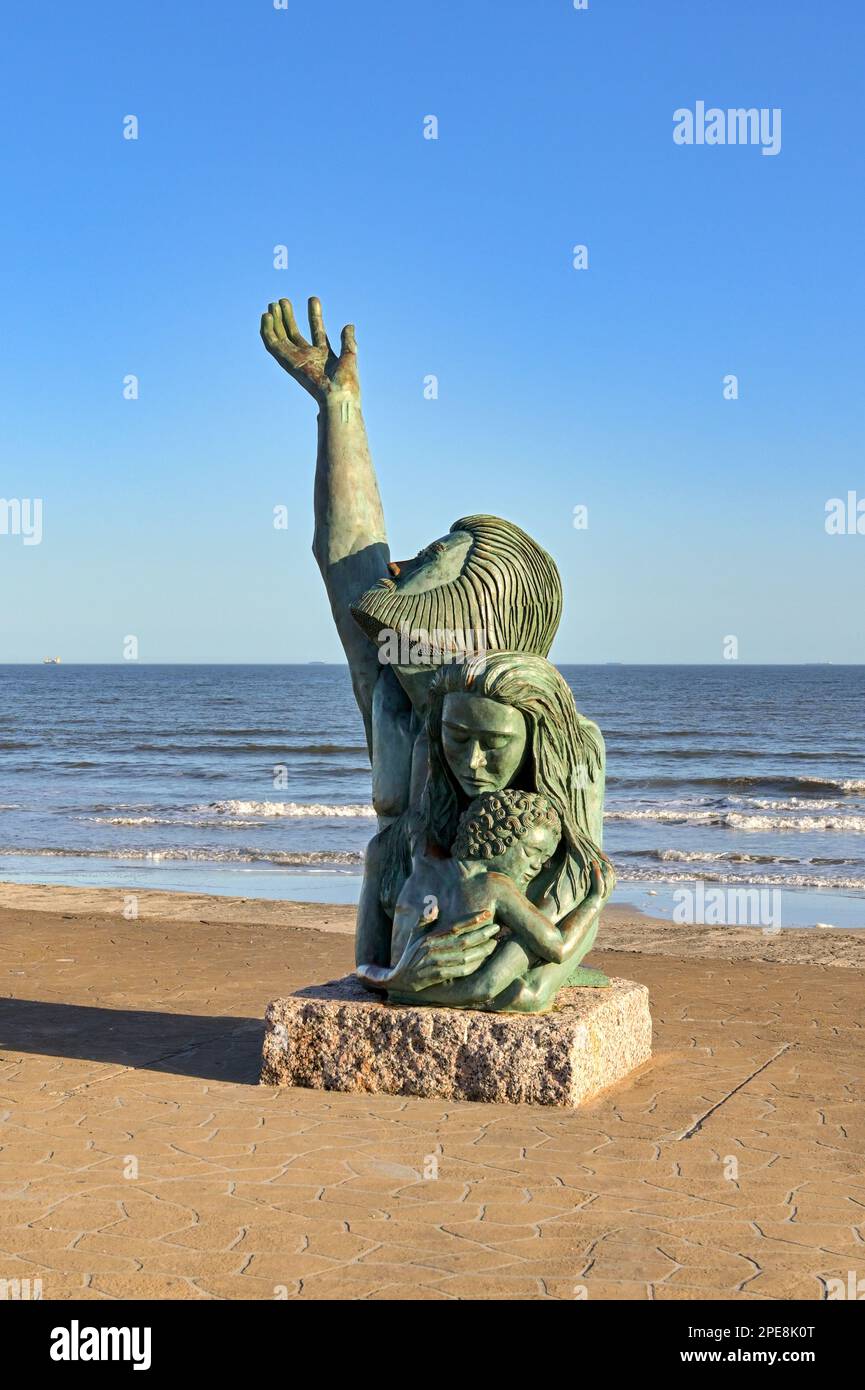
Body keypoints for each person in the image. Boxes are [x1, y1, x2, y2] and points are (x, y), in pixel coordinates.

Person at [357, 789, 609, 1011]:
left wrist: (398, 985)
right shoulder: (494, 885)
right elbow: (558, 947)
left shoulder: (421, 873)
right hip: (474, 988)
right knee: (520, 985)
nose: (538, 867)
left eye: (544, 861)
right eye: (533, 853)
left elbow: (373, 965)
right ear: (497, 839)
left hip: (400, 980)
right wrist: (595, 901)